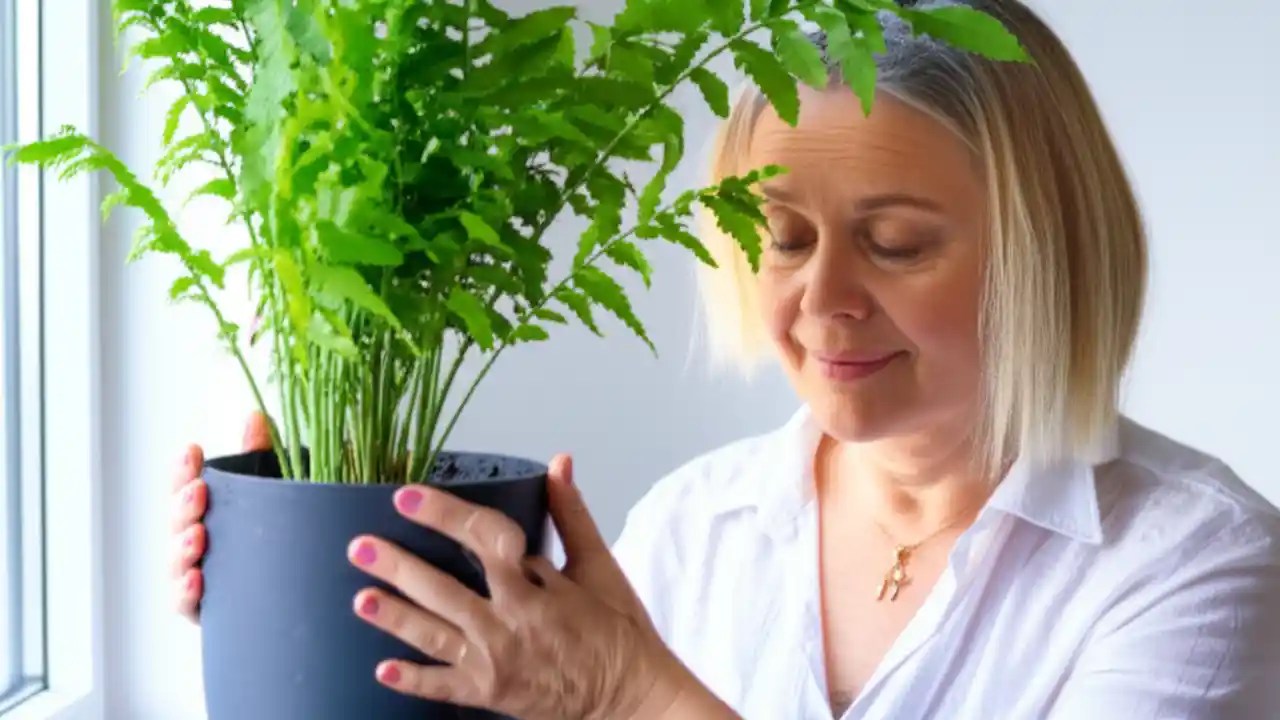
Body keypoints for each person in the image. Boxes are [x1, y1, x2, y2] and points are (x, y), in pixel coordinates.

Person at [169, 1, 1280, 718]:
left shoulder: (1191, 564)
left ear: (1046, 254)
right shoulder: (691, 530)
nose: (823, 300)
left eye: (894, 244)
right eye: (783, 239)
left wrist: (629, 692)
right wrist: (300, 586)